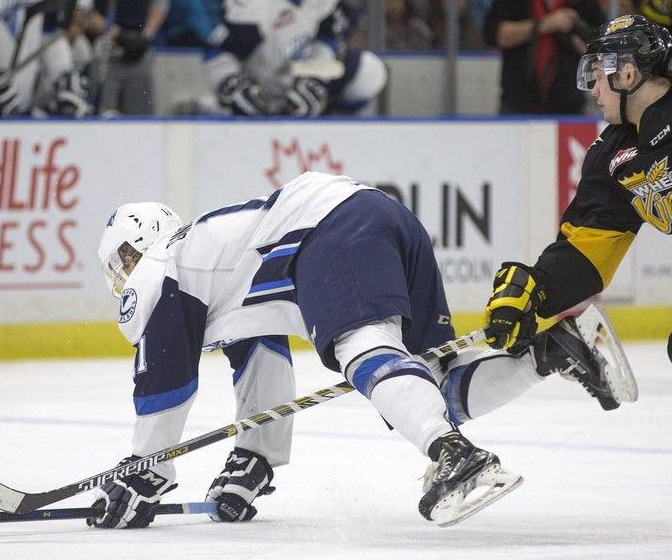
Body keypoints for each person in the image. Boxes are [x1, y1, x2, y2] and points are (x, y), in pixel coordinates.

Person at [88, 171, 635, 530]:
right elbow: (262, 359)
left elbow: (164, 378)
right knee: (430, 382)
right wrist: (254, 459)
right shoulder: (216, 269)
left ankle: (455, 456)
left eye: (122, 263)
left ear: (139, 248)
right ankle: (551, 351)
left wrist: (144, 469)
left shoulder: (162, 268)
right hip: (381, 217)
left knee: (364, 352)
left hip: (332, 228)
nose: (124, 279)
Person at [481, 14, 672, 539]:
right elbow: (585, 253)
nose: (591, 86)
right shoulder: (612, 159)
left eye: (598, 72)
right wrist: (535, 291)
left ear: (628, 73)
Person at [205, 0, 386, 117]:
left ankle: (331, 122)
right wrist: (232, 84)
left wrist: (315, 77)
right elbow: (217, 50)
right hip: (260, 80)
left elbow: (328, 37)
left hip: (300, 73)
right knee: (226, 109)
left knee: (370, 71)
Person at [483, 0, 605, 115]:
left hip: (570, 109)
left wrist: (589, 50)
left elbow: (607, 49)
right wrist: (542, 25)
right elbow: (494, 35)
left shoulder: (583, 2)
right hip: (517, 108)